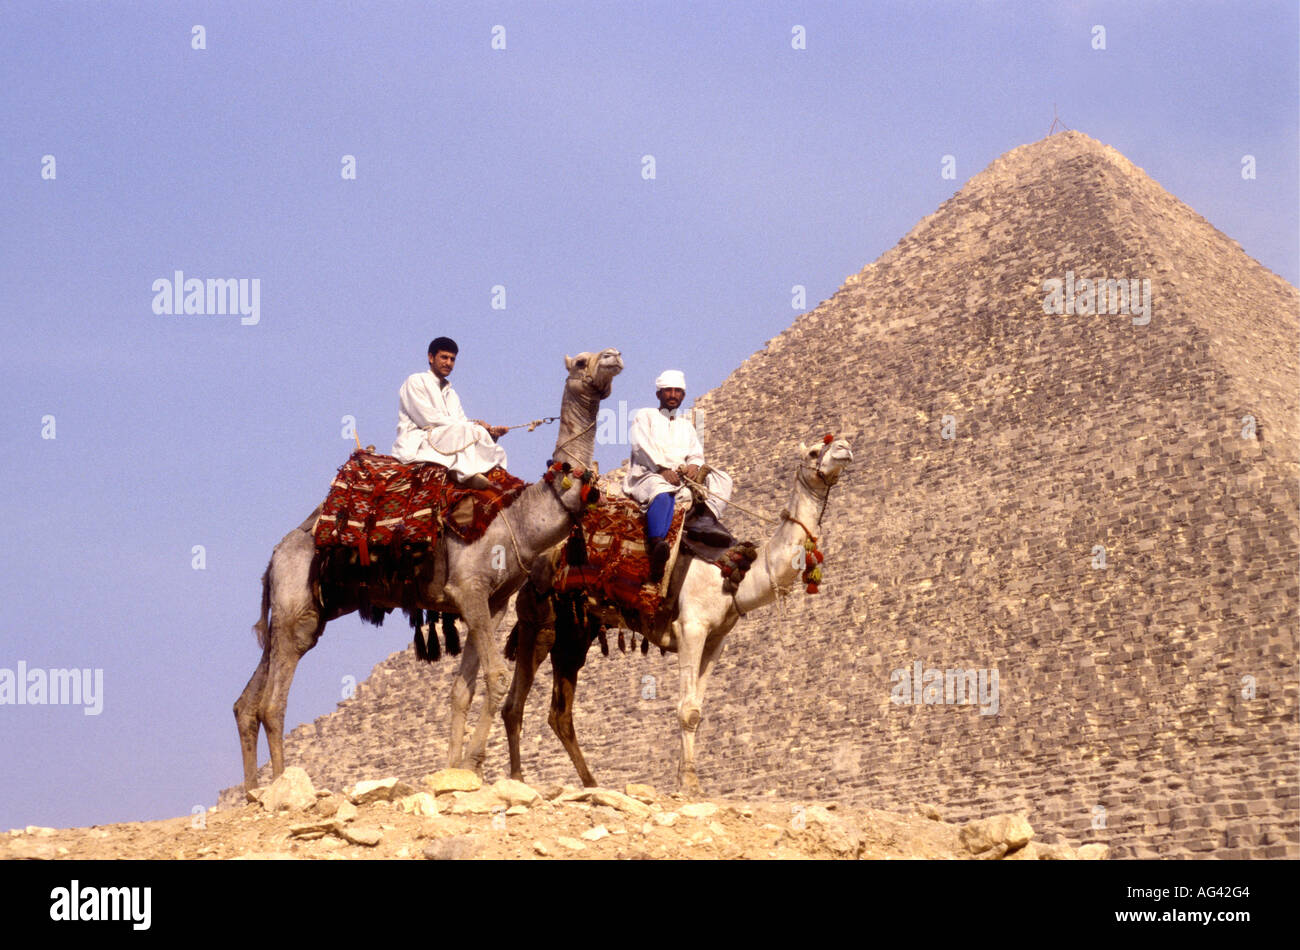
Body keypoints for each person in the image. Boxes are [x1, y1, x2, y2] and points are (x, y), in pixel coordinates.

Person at [624, 369, 734, 581]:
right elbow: (641, 447)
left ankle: (706, 521)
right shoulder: (645, 415)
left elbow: (696, 454)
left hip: (682, 479)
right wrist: (662, 470)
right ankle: (657, 545)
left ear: (683, 396)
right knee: (662, 490)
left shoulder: (686, 426)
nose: (673, 395)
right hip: (649, 474)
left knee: (722, 479)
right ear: (659, 394)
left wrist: (693, 466)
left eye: (677, 391)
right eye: (668, 391)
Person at [392, 337, 507, 488]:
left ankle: (491, 474)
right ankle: (467, 474)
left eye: (452, 359)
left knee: (479, 433)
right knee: (467, 429)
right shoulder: (416, 381)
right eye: (444, 357)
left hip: (448, 437)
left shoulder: (452, 394)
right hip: (419, 440)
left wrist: (490, 432)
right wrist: (472, 426)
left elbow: (461, 422)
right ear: (431, 357)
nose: (448, 363)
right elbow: (428, 420)